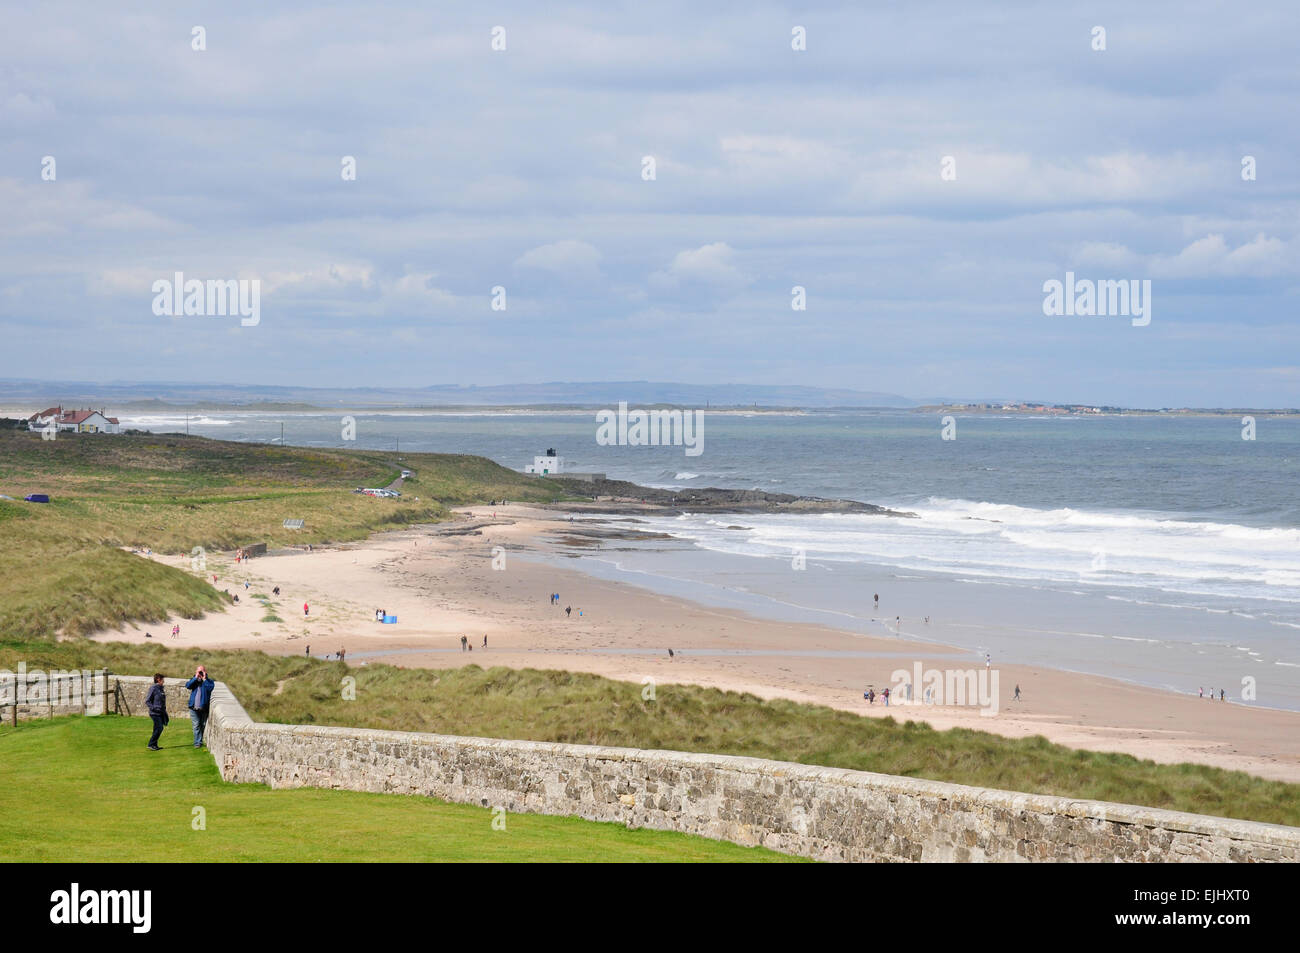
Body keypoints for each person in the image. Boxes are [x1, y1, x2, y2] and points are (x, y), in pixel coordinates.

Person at [185, 666, 215, 748]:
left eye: (201, 671)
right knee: (196, 725)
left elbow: (210, 688)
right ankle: (197, 743)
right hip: (193, 707)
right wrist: (195, 677)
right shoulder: (194, 680)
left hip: (204, 708)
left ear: (205, 672)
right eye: (199, 671)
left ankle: (199, 740)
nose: (200, 673)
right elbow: (188, 686)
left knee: (202, 724)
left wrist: (204, 679)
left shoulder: (209, 681)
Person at [146, 673, 168, 750]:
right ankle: (151, 744)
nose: (164, 681)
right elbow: (147, 701)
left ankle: (154, 745)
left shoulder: (161, 688)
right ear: (158, 679)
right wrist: (154, 708)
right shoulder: (153, 688)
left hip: (161, 712)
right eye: (163, 679)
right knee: (159, 728)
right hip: (154, 713)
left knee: (157, 729)